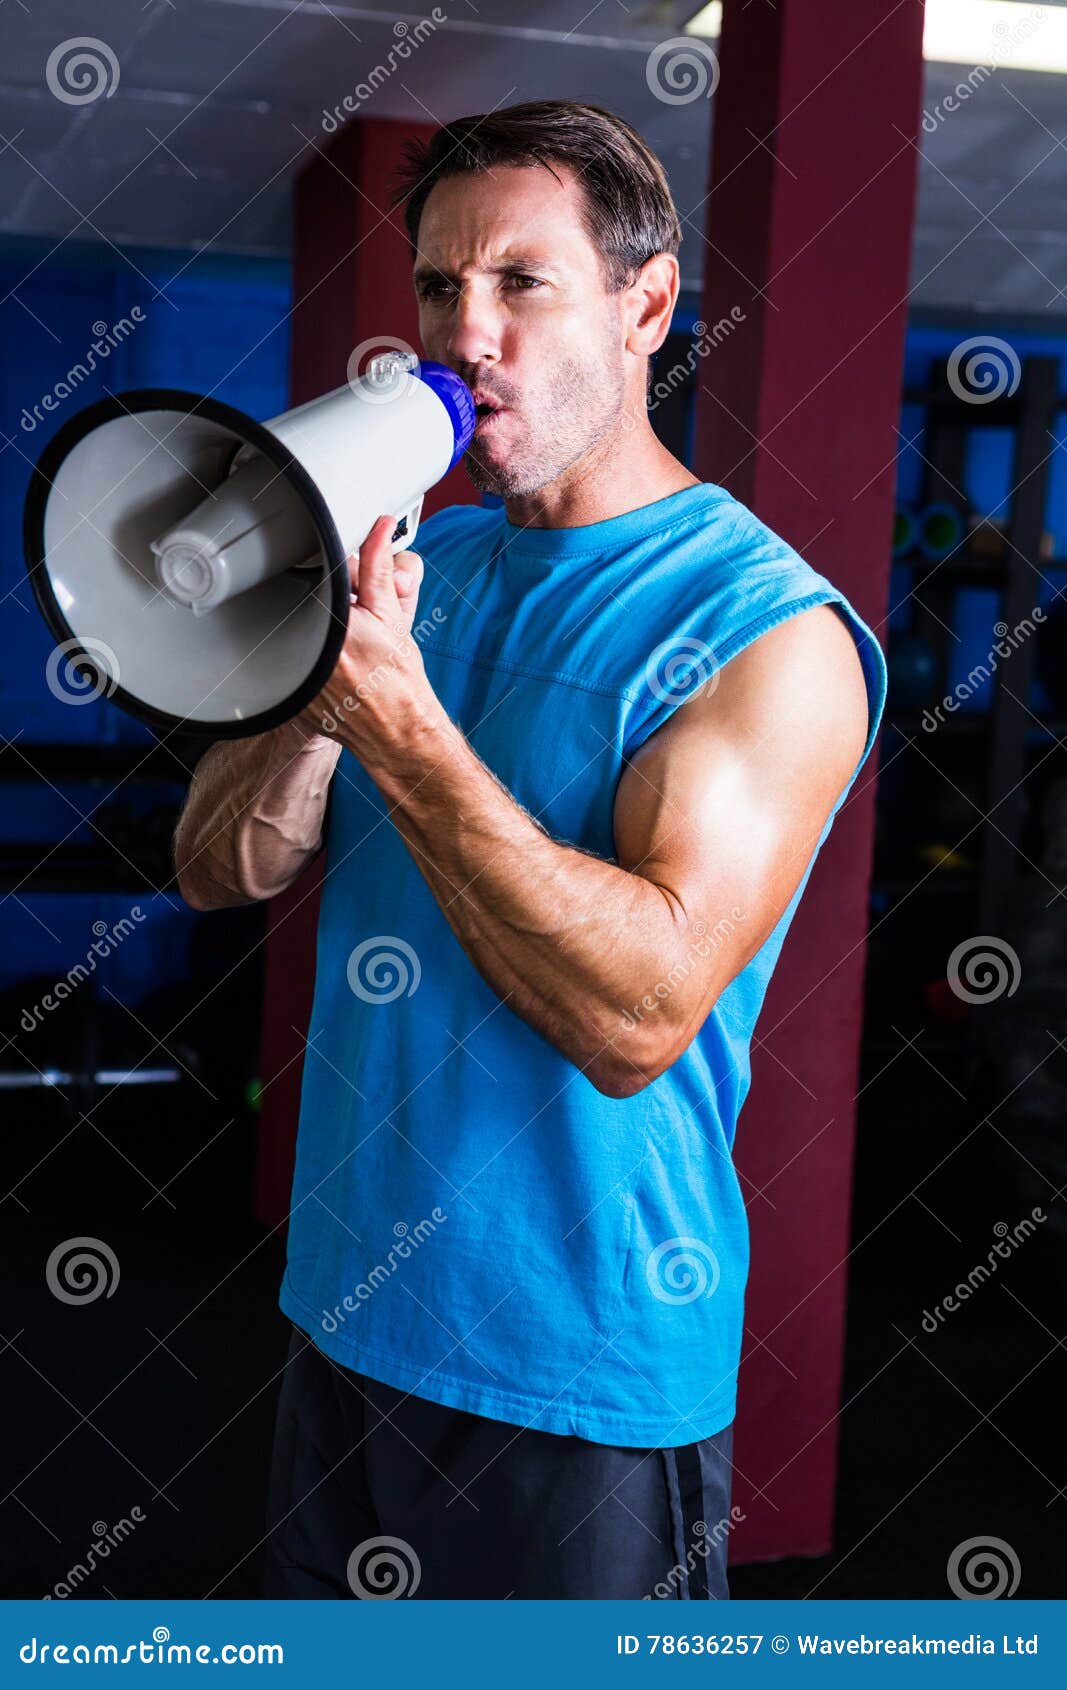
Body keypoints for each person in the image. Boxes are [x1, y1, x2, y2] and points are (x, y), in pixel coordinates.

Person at [174, 99, 886, 1600]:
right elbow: (216, 866)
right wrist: (316, 681)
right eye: (439, 288)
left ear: (647, 305)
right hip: (345, 1317)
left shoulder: (768, 632)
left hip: (577, 1374)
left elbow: (636, 1018)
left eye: (520, 282)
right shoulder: (424, 561)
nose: (464, 332)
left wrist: (404, 727)